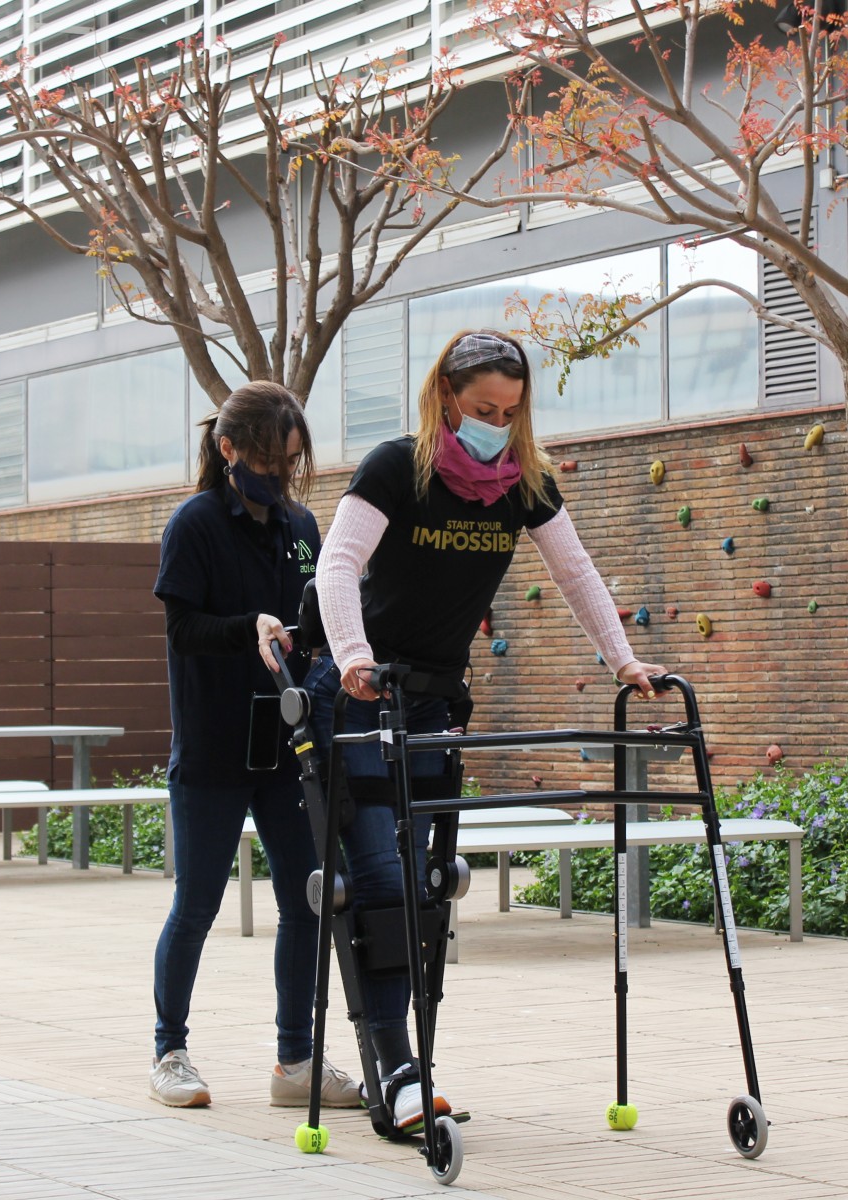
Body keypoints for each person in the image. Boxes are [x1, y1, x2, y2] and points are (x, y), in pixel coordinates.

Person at [306, 329, 665, 1131]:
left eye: (509, 411)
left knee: (427, 887)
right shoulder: (396, 466)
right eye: (480, 409)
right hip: (363, 690)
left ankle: (404, 1064)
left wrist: (623, 661)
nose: (495, 424)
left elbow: (574, 571)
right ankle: (396, 1068)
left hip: (433, 700)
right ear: (445, 397)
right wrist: (354, 656)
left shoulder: (520, 481)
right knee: (379, 883)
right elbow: (336, 565)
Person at [149, 380, 361, 1112]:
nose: (277, 478)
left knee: (307, 901)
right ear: (227, 448)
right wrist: (249, 627)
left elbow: (328, 618)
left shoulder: (302, 526)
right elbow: (182, 631)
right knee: (197, 905)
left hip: (289, 750)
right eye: (266, 464)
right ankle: (169, 1050)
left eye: (290, 464)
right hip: (212, 750)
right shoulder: (195, 524)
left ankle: (295, 1062)